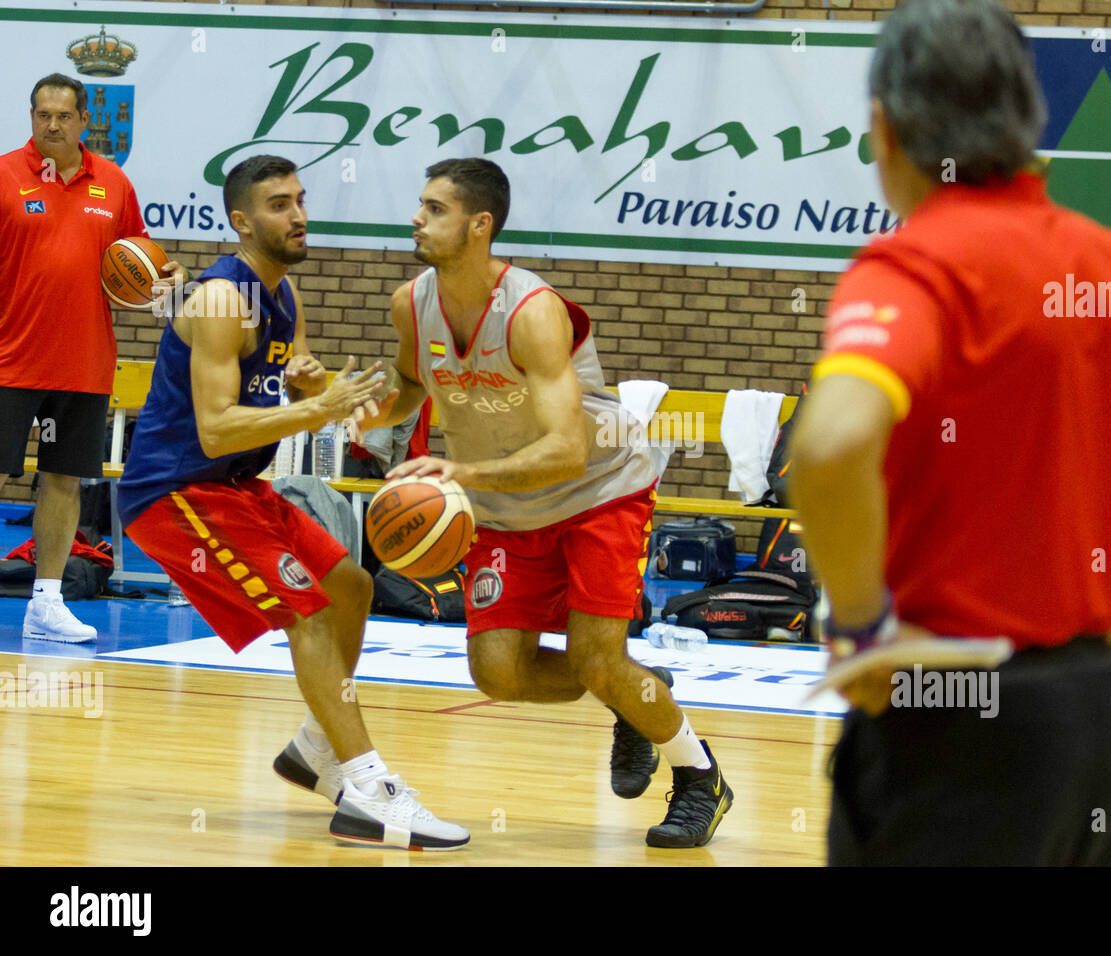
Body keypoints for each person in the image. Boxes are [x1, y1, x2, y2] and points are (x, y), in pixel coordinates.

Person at [790, 0, 1111, 866]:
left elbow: (831, 443)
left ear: (884, 125)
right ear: (1028, 121)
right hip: (1091, 706)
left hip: (948, 696)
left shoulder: (920, 267)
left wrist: (864, 631)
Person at [369, 158, 733, 848]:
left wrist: (458, 469)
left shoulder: (532, 312)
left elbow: (566, 451)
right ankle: (636, 687)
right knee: (498, 672)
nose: (417, 218)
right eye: (420, 204)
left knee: (596, 659)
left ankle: (699, 777)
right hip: (506, 504)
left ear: (480, 226)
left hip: (597, 489)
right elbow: (409, 384)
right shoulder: (410, 302)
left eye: (435, 209)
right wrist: (345, 402)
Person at [115, 154, 469, 850]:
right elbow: (216, 427)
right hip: (175, 493)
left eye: (301, 200)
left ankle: (315, 748)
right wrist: (319, 409)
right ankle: (369, 789)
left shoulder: (284, 298)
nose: (299, 214)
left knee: (352, 585)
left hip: (235, 487)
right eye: (279, 204)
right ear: (242, 221)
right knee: (307, 609)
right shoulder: (220, 300)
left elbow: (296, 388)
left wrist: (317, 387)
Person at [0, 72, 184, 643]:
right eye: (41, 114)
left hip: (81, 365)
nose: (52, 124)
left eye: (63, 115)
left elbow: (138, 266)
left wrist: (164, 278)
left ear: (84, 121)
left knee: (61, 482)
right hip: (9, 362)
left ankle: (46, 604)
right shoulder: (5, 175)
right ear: (31, 117)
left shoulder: (114, 184)